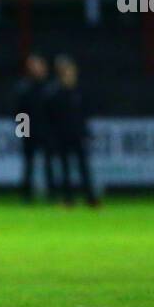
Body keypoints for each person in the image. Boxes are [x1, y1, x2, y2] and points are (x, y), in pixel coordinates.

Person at [47, 54, 96, 206]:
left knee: (83, 168)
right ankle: (68, 199)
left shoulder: (80, 91)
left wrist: (86, 132)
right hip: (61, 136)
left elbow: (85, 114)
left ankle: (90, 198)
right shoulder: (54, 93)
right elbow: (49, 116)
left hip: (78, 134)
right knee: (65, 168)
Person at [13, 53, 55, 201]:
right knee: (28, 164)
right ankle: (26, 195)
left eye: (37, 65)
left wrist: (54, 131)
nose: (35, 68)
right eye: (32, 65)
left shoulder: (51, 88)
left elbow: (56, 113)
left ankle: (52, 194)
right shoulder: (23, 88)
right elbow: (19, 112)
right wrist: (22, 132)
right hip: (29, 132)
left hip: (48, 131)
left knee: (49, 164)